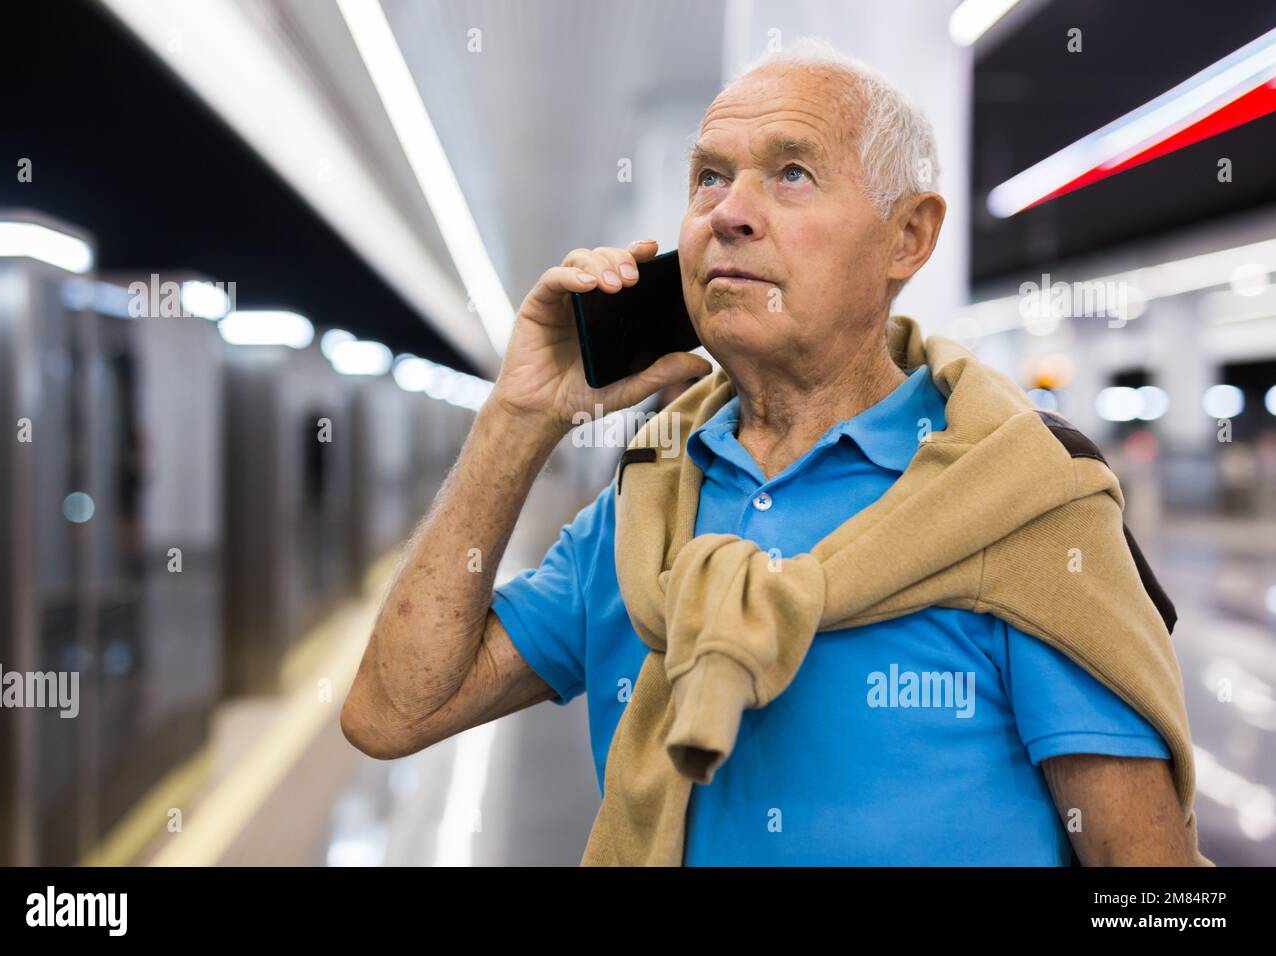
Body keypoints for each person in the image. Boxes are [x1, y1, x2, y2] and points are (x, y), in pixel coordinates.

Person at [341, 37, 1200, 865]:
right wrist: (518, 416)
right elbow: (393, 712)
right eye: (709, 176)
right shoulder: (646, 508)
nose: (728, 213)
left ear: (908, 237)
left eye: (792, 173)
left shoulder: (1023, 505)